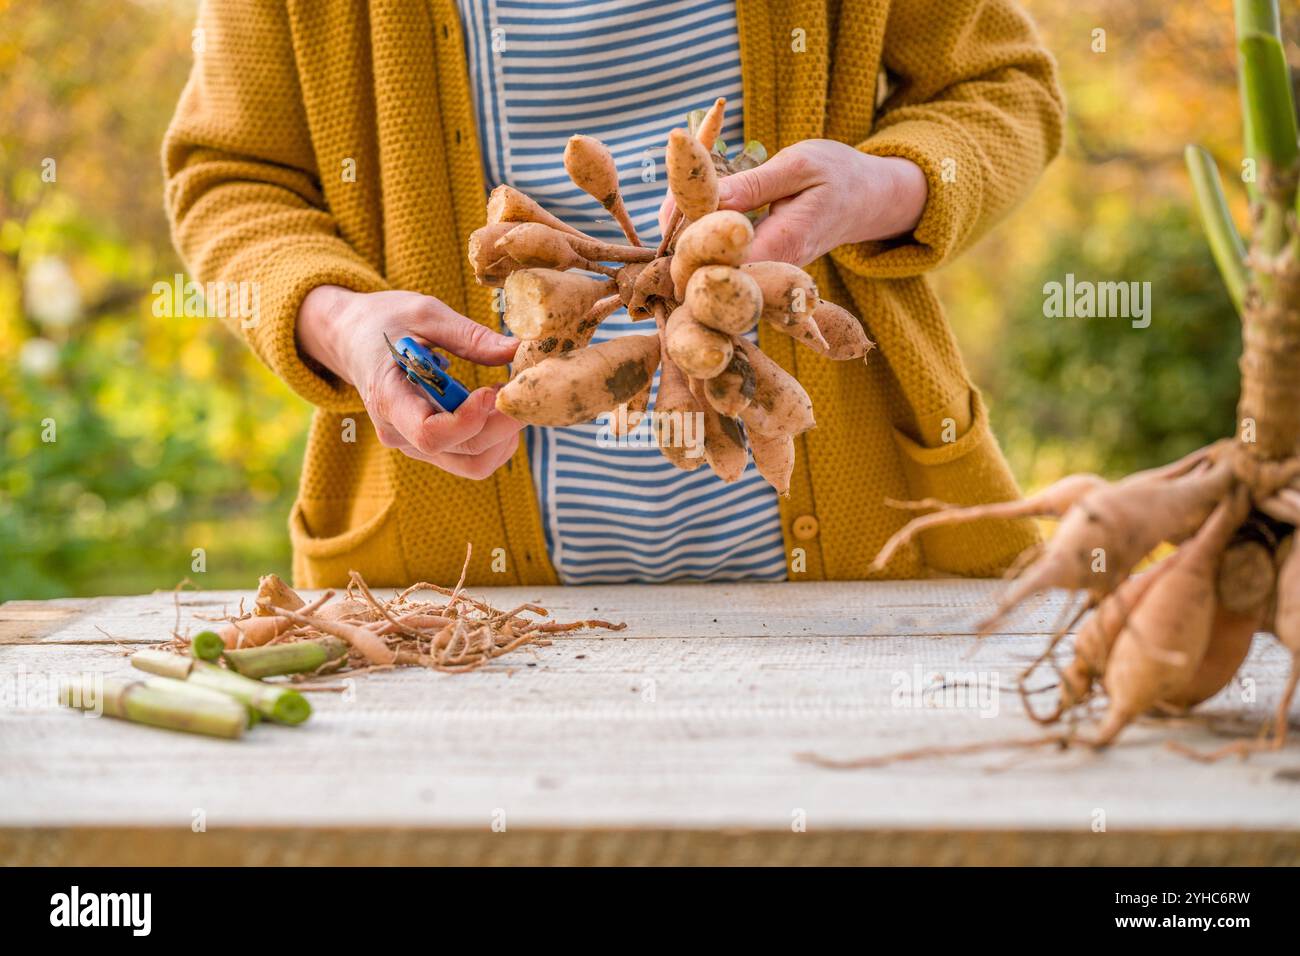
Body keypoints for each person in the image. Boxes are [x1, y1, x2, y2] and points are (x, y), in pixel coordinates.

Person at [164, 0, 1063, 588]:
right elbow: (230, 178)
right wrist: (341, 318)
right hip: (460, 601)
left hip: (869, 582)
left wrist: (884, 188)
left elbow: (1002, 86)